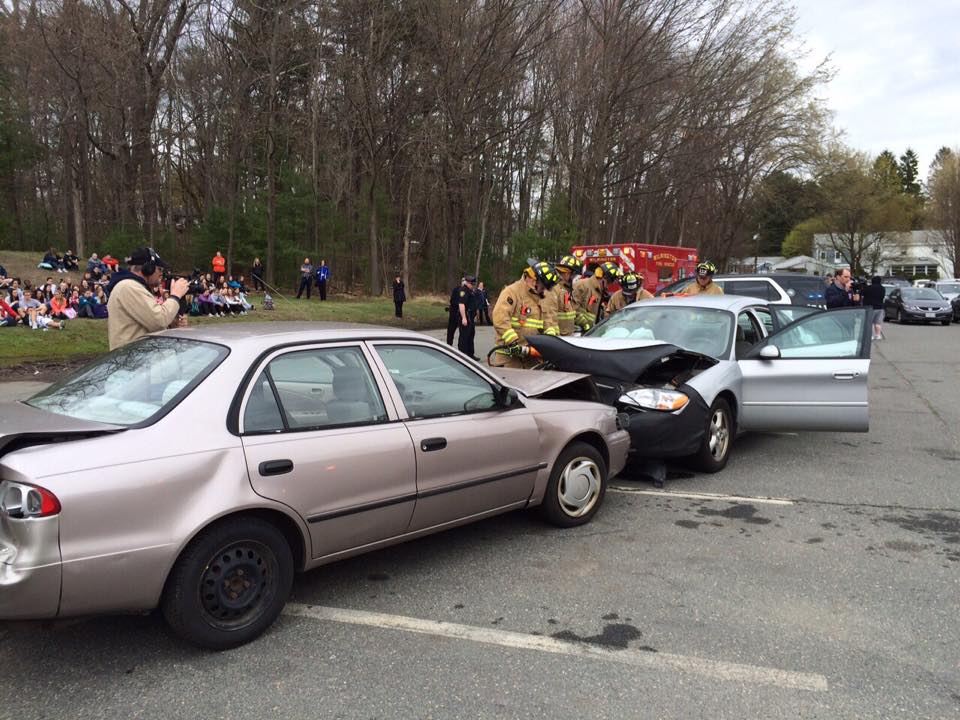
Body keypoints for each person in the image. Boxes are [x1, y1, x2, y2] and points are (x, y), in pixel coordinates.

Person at [106, 247, 188, 350]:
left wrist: (172, 323)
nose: (161, 273)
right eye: (159, 269)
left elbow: (150, 323)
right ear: (148, 268)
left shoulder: (133, 286)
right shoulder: (129, 287)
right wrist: (175, 295)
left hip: (136, 358)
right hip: (132, 360)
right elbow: (159, 320)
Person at [490, 260, 561, 368]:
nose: (543, 291)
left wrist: (550, 341)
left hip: (532, 358)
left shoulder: (541, 296)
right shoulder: (512, 292)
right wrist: (513, 342)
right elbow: (500, 318)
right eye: (543, 287)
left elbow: (548, 321)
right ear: (534, 280)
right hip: (510, 360)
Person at [573, 260, 620, 331]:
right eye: (609, 282)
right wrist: (585, 324)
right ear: (603, 278)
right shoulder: (582, 285)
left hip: (589, 331)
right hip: (578, 332)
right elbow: (573, 307)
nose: (608, 286)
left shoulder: (598, 291)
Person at [553, 255, 583, 335]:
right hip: (559, 337)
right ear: (567, 273)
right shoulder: (555, 288)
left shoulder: (565, 288)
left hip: (566, 335)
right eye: (574, 275)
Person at [456, 275, 478, 359]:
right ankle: (462, 356)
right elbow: (461, 304)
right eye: (472, 284)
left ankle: (470, 354)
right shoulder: (463, 290)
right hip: (466, 317)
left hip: (470, 317)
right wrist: (464, 318)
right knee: (464, 336)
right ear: (468, 283)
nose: (472, 285)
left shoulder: (470, 290)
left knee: (471, 335)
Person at [861, 275, 886, 340]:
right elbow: (882, 297)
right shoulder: (882, 288)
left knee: (870, 322)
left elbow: (863, 295)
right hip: (880, 307)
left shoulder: (868, 288)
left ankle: (871, 335)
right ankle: (878, 335)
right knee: (878, 323)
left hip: (870, 307)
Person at [446, 276, 467, 345]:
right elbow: (452, 301)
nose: (464, 282)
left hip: (463, 314)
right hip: (454, 313)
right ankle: (449, 346)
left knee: (464, 334)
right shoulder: (456, 289)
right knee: (450, 332)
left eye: (465, 281)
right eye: (463, 281)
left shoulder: (468, 291)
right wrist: (459, 305)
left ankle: (463, 350)